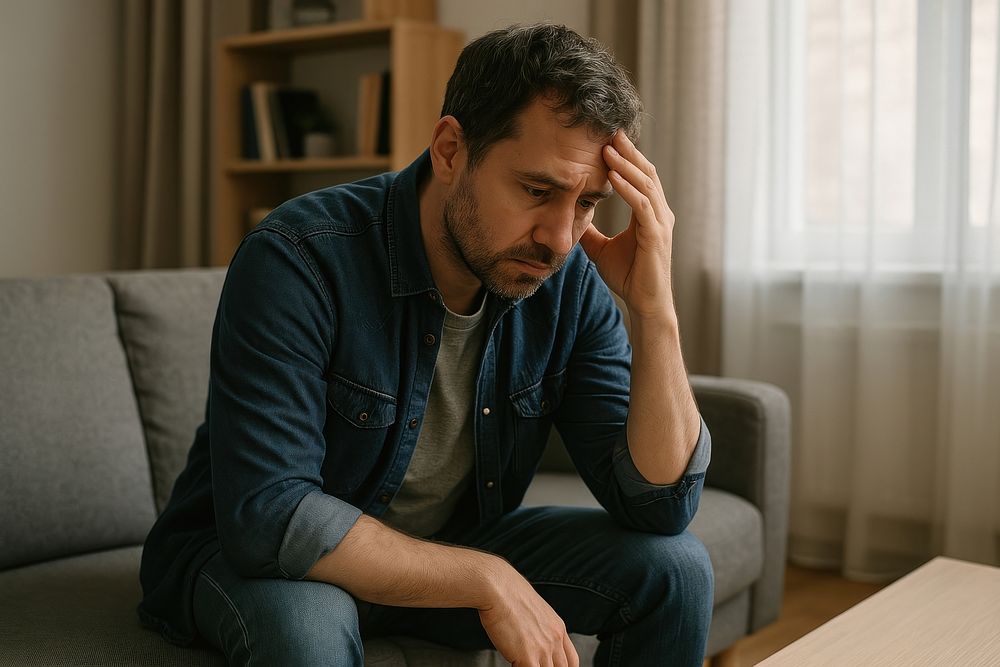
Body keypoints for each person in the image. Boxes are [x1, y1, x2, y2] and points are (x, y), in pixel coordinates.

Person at [138, 23, 714, 667]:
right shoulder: (299, 257)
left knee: (675, 569)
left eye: (587, 203)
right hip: (263, 560)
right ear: (450, 151)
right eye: (537, 191)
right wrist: (483, 578)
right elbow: (270, 515)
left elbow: (660, 507)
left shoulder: (567, 279)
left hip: (446, 544)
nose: (559, 237)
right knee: (308, 629)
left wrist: (654, 311)